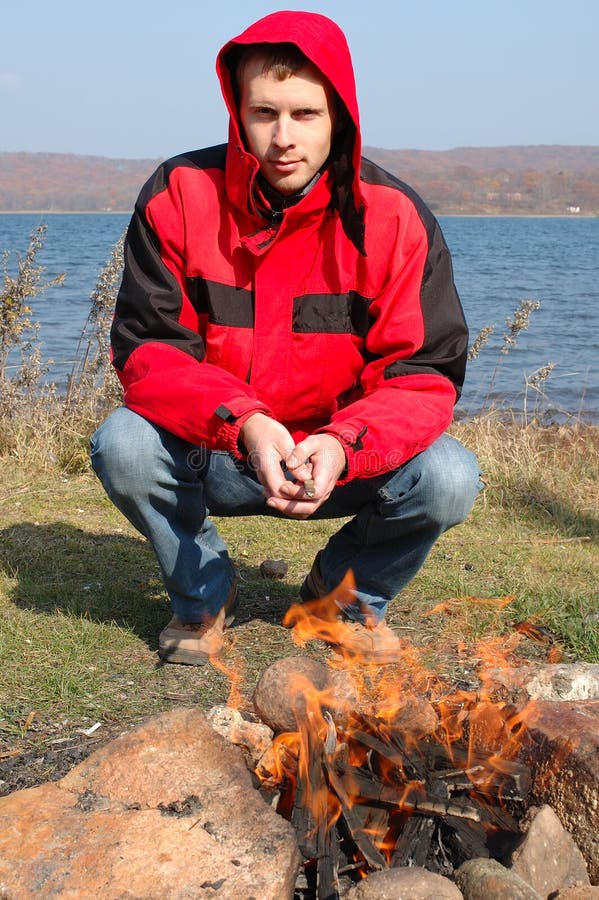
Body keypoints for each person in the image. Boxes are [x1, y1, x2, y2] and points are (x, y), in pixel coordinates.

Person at [91, 10, 482, 666]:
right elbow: (149, 350)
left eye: (304, 115)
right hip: (217, 449)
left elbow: (422, 372)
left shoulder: (393, 217)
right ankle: (204, 597)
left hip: (339, 461)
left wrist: (340, 443)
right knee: (123, 445)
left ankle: (340, 604)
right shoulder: (178, 193)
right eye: (263, 113)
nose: (282, 138)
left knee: (447, 475)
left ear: (339, 117)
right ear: (237, 112)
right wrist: (244, 422)